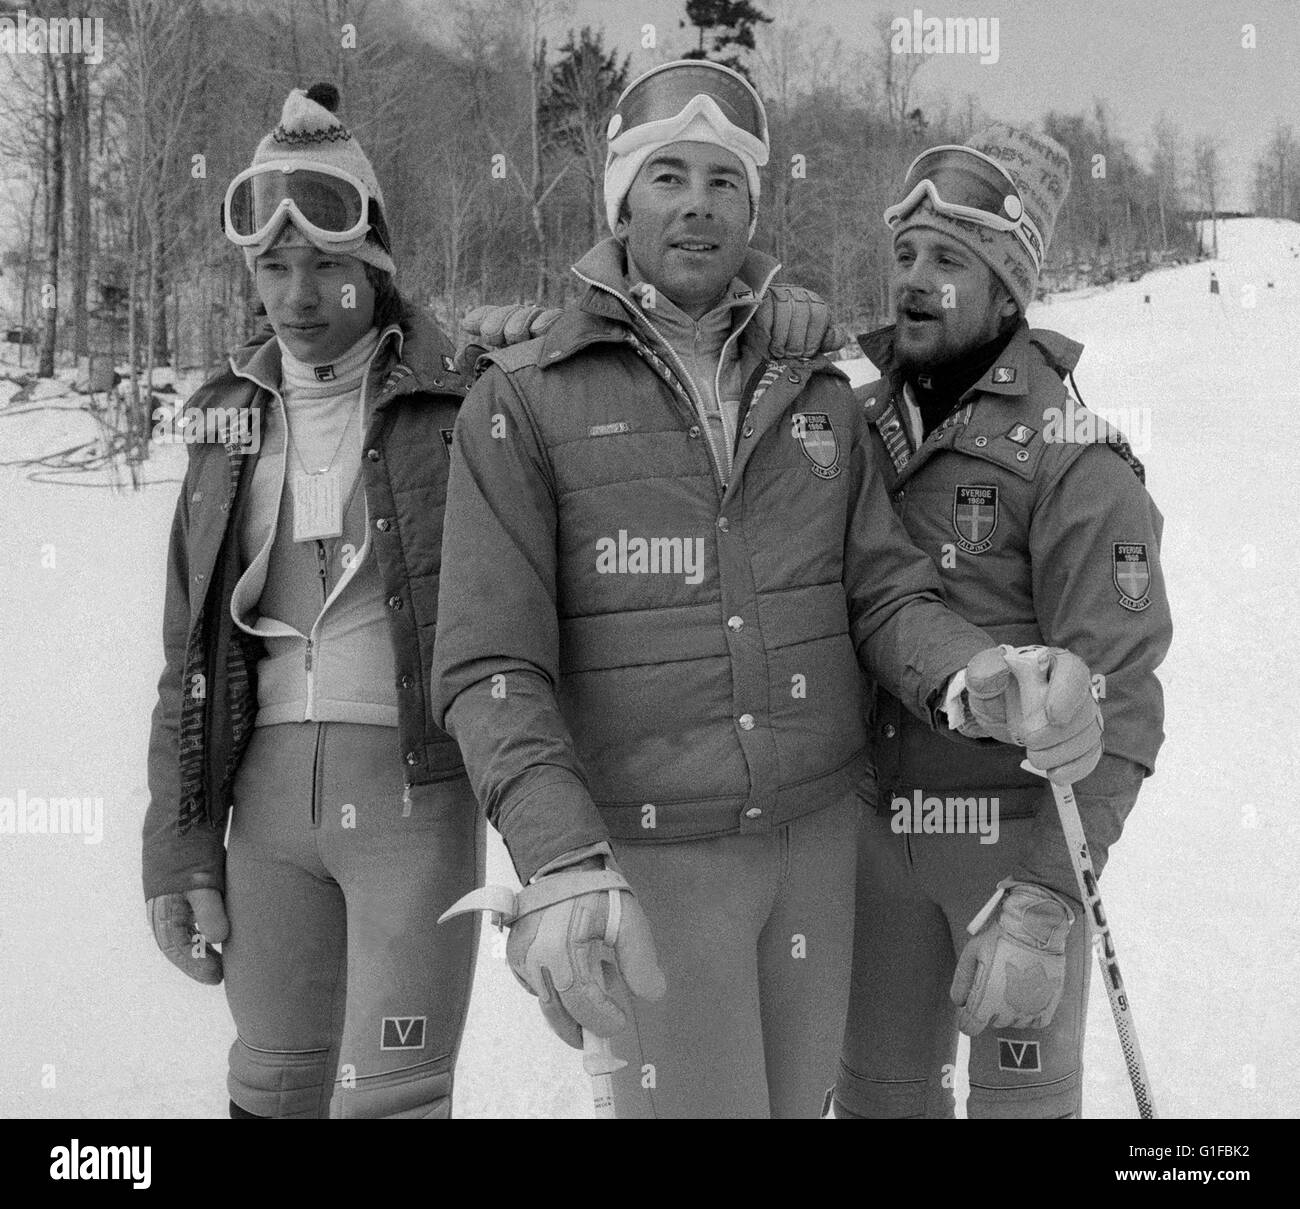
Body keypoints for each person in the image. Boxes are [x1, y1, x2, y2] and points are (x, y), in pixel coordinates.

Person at [431, 61, 1103, 1119]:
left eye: (725, 181)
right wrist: (556, 854)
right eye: (667, 177)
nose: (698, 202)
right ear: (619, 201)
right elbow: (489, 664)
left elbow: (881, 597)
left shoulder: (817, 395)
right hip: (660, 851)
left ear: (752, 207)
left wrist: (973, 677)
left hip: (816, 849)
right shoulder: (524, 402)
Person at [142, 83, 483, 1119]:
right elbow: (187, 656)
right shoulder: (225, 419)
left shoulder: (465, 395)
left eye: (327, 265)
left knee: (389, 1098)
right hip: (265, 819)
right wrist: (178, 852)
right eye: (273, 267)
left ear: (375, 267)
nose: (297, 295)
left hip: (412, 806)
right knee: (272, 1093)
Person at [834, 125, 1173, 1119]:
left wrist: (1045, 900)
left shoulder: (1077, 460)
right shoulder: (845, 428)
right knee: (877, 1103)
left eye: (949, 259)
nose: (914, 279)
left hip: (1009, 842)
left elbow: (1123, 698)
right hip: (869, 836)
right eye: (904, 254)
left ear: (1007, 286)